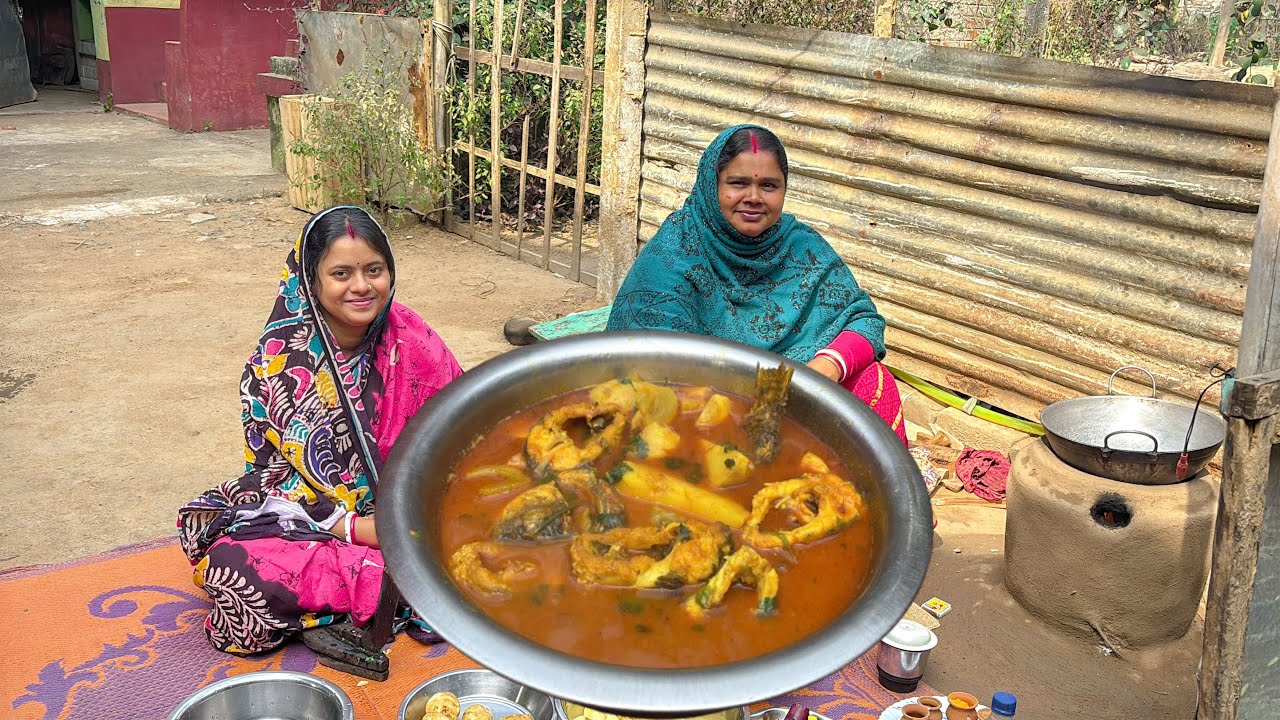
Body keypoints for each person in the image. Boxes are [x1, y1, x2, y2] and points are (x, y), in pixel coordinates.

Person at [177, 206, 463, 667]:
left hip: (414, 514)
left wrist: (415, 515)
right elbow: (272, 476)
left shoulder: (410, 336)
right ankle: (403, 590)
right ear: (312, 281)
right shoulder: (276, 365)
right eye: (341, 273)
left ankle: (390, 590)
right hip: (318, 523)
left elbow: (460, 430)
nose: (362, 286)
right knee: (237, 568)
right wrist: (356, 528)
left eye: (375, 270)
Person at [606, 125, 906, 444]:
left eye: (769, 186)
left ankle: (877, 489)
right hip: (695, 408)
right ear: (711, 184)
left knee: (873, 382)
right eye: (737, 183)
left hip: (792, 397)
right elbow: (642, 359)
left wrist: (828, 365)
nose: (753, 198)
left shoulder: (802, 248)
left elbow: (862, 320)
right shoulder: (675, 251)